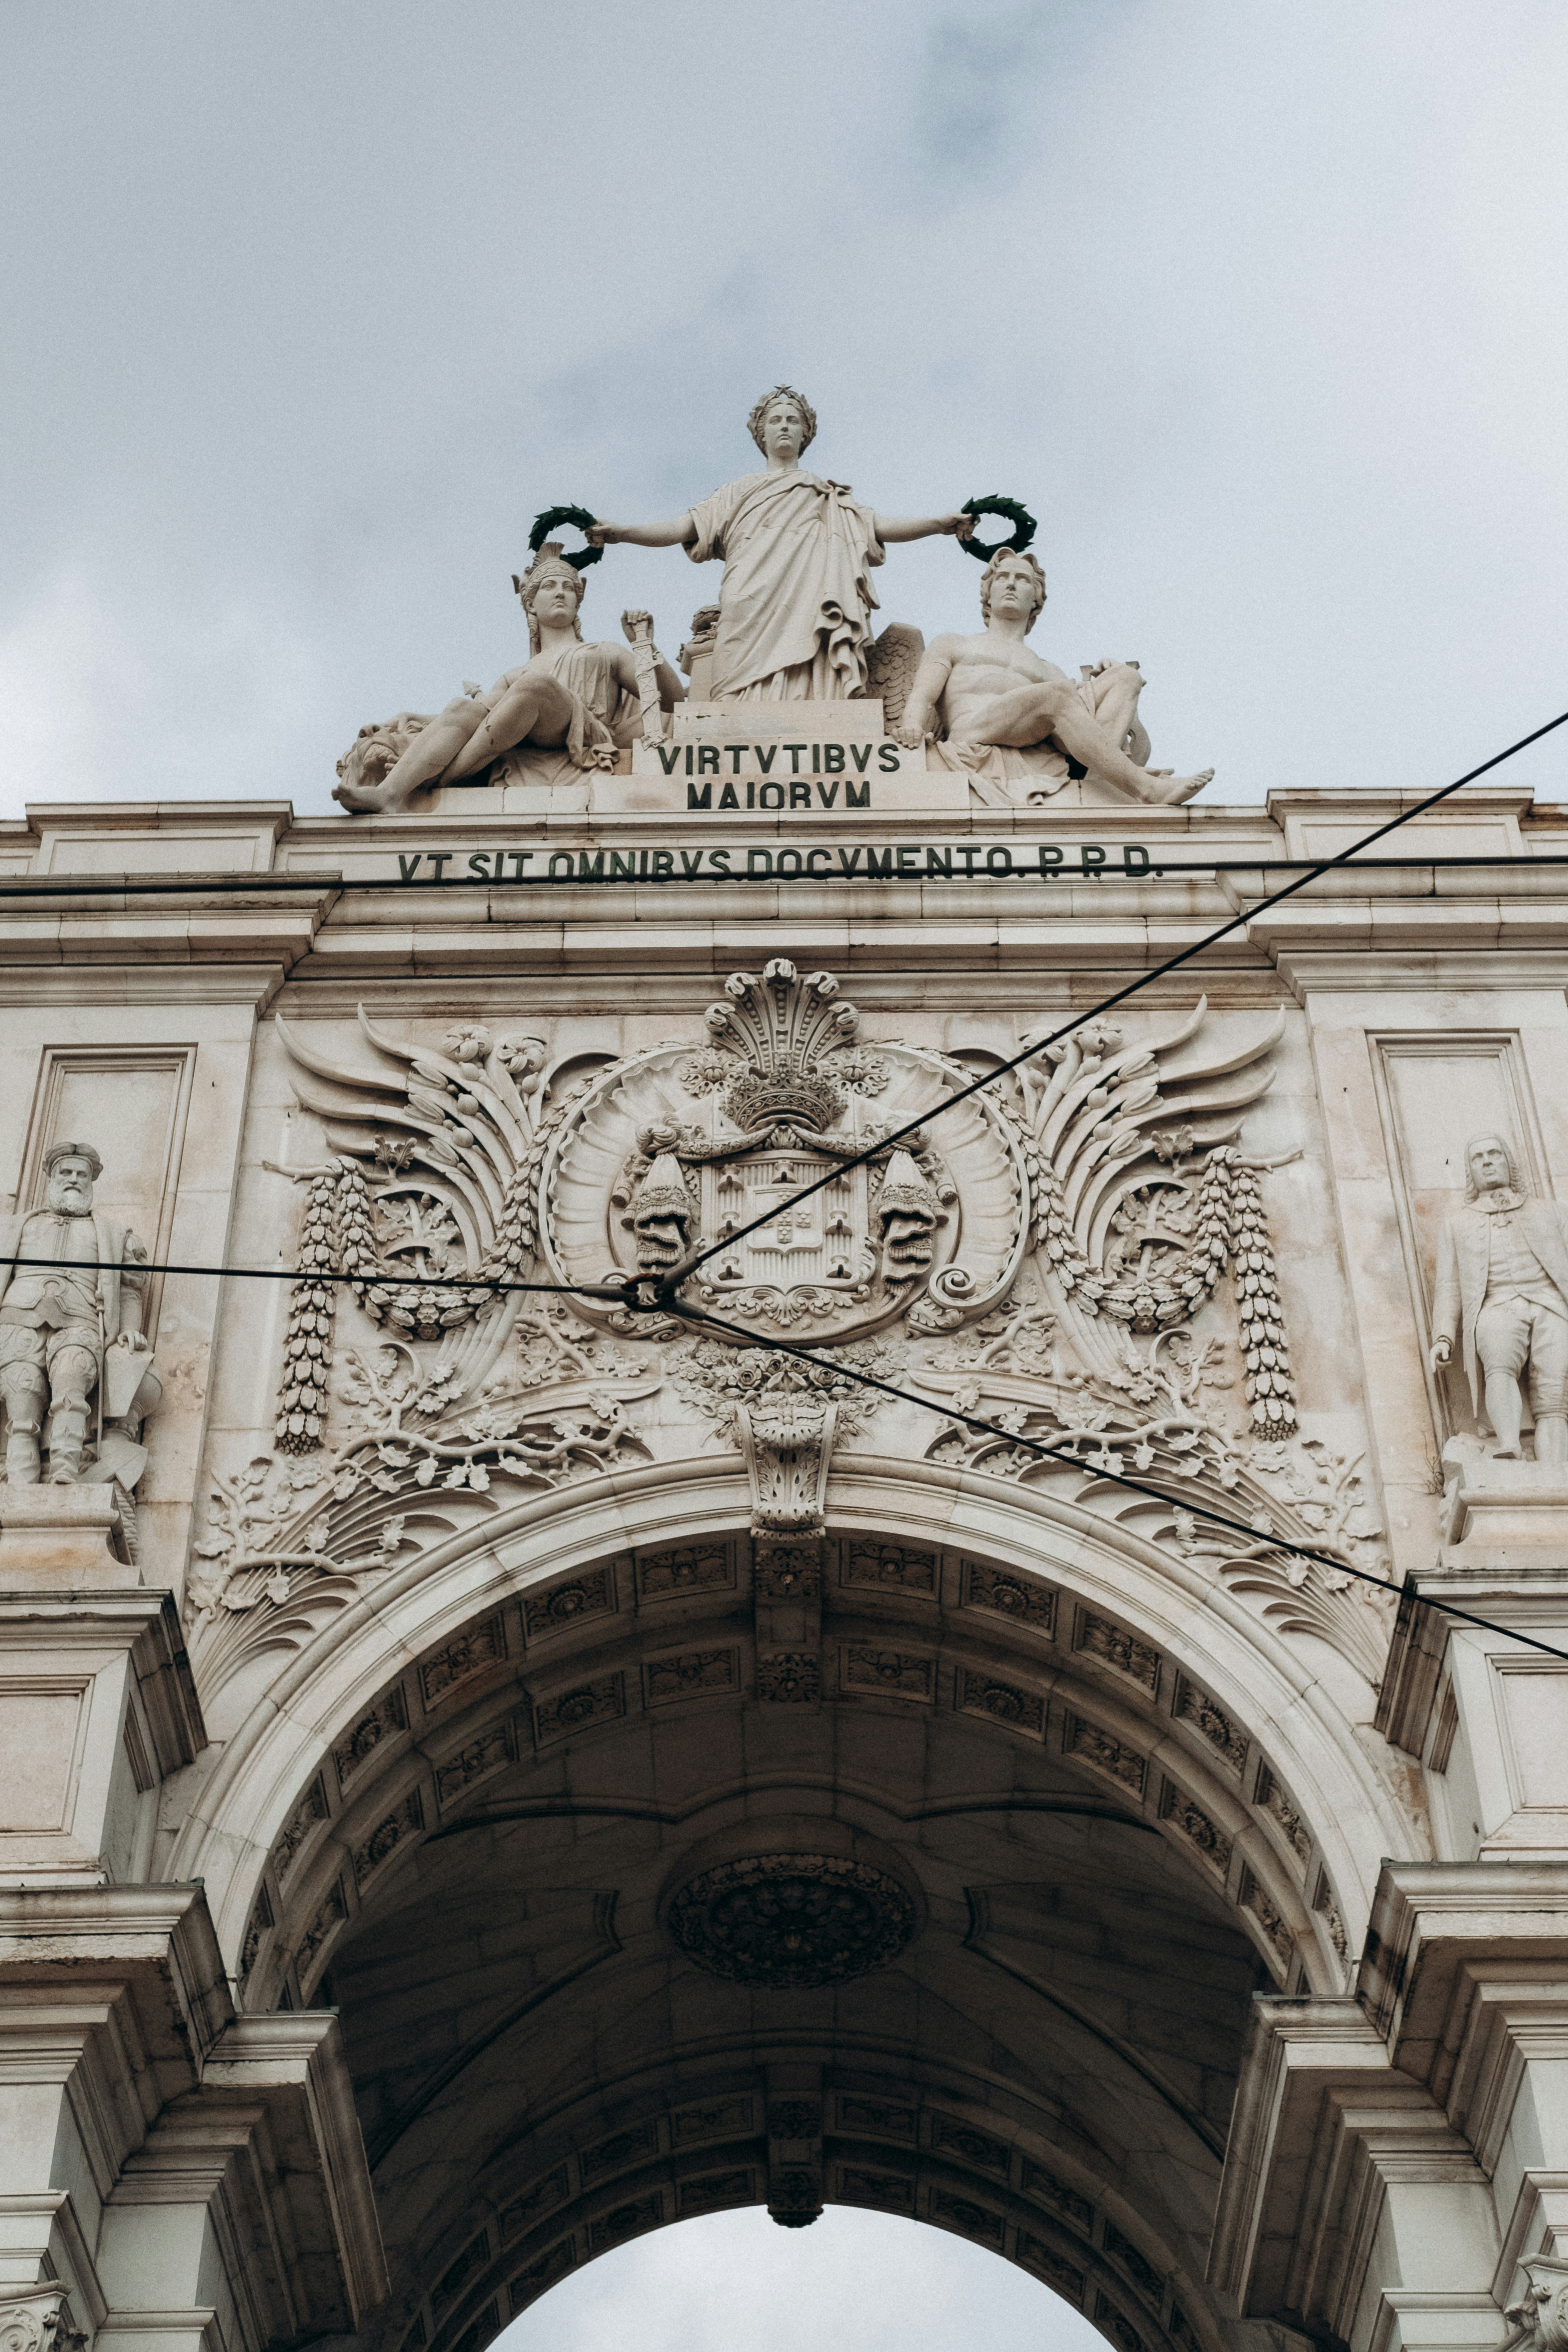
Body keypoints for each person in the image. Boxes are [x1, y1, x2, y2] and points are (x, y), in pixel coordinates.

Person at [586, 387, 975, 701]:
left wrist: (937, 524)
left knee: (809, 661)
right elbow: (679, 528)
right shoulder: (737, 491)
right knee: (734, 680)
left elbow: (879, 526)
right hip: (748, 596)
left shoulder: (827, 495)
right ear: (762, 433)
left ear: (806, 432)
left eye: (793, 420)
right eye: (776, 420)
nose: (785, 426)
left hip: (809, 595)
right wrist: (622, 533)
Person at [332, 547, 684, 814]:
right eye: (549, 587)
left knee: (536, 686)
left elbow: (673, 703)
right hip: (530, 731)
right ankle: (391, 793)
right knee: (462, 707)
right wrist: (406, 719)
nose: (560, 593)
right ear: (531, 604)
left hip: (586, 732)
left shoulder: (606, 651)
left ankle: (443, 778)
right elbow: (474, 718)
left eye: (568, 588)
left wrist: (646, 646)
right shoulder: (513, 675)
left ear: (579, 601)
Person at [894, 548, 1214, 805]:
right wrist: (911, 725)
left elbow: (1126, 738)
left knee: (1123, 678)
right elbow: (922, 697)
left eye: (1022, 579)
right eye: (1002, 577)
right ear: (988, 595)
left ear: (1036, 598)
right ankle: (1145, 789)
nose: (1010, 583)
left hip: (1033, 733)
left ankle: (1098, 784)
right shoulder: (954, 643)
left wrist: (1115, 687)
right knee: (1058, 695)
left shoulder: (1050, 671)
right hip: (972, 731)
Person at [0, 1142, 149, 1484]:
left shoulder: (113, 1234)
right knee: (24, 1397)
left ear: (92, 1183)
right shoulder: (17, 1227)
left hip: (81, 1322)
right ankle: (22, 1480)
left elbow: (129, 1289)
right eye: (66, 1173)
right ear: (51, 1179)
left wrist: (129, 1327)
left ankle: (66, 1469)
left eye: (82, 1175)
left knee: (72, 1389)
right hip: (17, 1321)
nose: (74, 1180)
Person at [1430, 1133, 1568, 1465]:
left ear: (1509, 1162)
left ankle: (1555, 1468)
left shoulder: (1551, 1212)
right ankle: (1509, 1445)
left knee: (1553, 1395)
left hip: (1551, 1305)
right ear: (1471, 1172)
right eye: (1478, 1158)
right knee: (1499, 1366)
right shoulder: (1458, 1224)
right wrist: (1443, 1336)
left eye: (1495, 1154)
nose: (1488, 1161)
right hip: (1497, 1306)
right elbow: (1448, 1286)